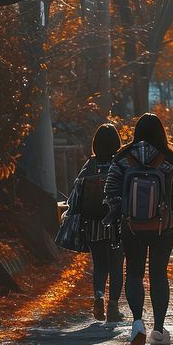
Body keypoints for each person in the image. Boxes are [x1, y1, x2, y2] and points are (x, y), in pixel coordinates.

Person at [104, 113, 173, 345]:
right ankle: (159, 330)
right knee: (159, 274)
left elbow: (110, 190)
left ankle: (137, 323)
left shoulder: (123, 158)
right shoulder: (170, 160)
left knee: (134, 273)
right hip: (163, 227)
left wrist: (123, 213)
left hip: (131, 226)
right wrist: (172, 216)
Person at [68, 123, 125, 322]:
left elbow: (77, 190)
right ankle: (113, 308)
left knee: (100, 265)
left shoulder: (90, 165)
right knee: (117, 266)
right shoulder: (120, 164)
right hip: (116, 222)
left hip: (93, 222)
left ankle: (99, 296)